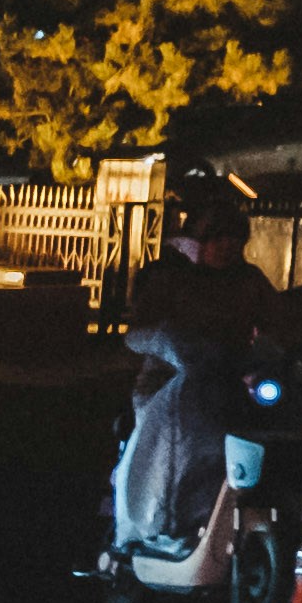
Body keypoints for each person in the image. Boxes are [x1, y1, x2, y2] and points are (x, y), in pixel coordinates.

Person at [110, 190, 280, 570]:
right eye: (218, 238)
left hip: (229, 381)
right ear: (198, 241)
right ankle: (166, 525)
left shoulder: (249, 281)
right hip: (167, 384)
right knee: (187, 443)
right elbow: (136, 332)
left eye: (235, 240)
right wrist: (169, 344)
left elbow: (280, 322)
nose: (227, 247)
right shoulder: (172, 280)